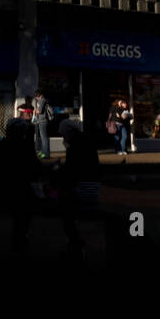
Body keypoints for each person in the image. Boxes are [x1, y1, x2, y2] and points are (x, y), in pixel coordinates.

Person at [0, 118, 43, 251]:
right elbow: (36, 171)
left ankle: (19, 235)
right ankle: (21, 234)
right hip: (23, 192)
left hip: (6, 189)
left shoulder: (0, 146)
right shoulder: (25, 146)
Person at [55, 119, 101, 254]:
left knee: (63, 207)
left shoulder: (75, 146)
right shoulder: (86, 142)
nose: (63, 138)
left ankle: (75, 239)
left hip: (84, 188)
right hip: (92, 186)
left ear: (69, 132)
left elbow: (71, 172)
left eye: (63, 134)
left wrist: (58, 173)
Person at [31, 89, 53, 159]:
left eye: (36, 96)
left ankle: (46, 154)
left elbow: (40, 111)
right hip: (41, 121)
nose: (36, 97)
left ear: (39, 95)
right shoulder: (43, 100)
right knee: (42, 137)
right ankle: (43, 152)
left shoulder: (41, 100)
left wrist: (34, 111)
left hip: (42, 121)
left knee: (44, 138)